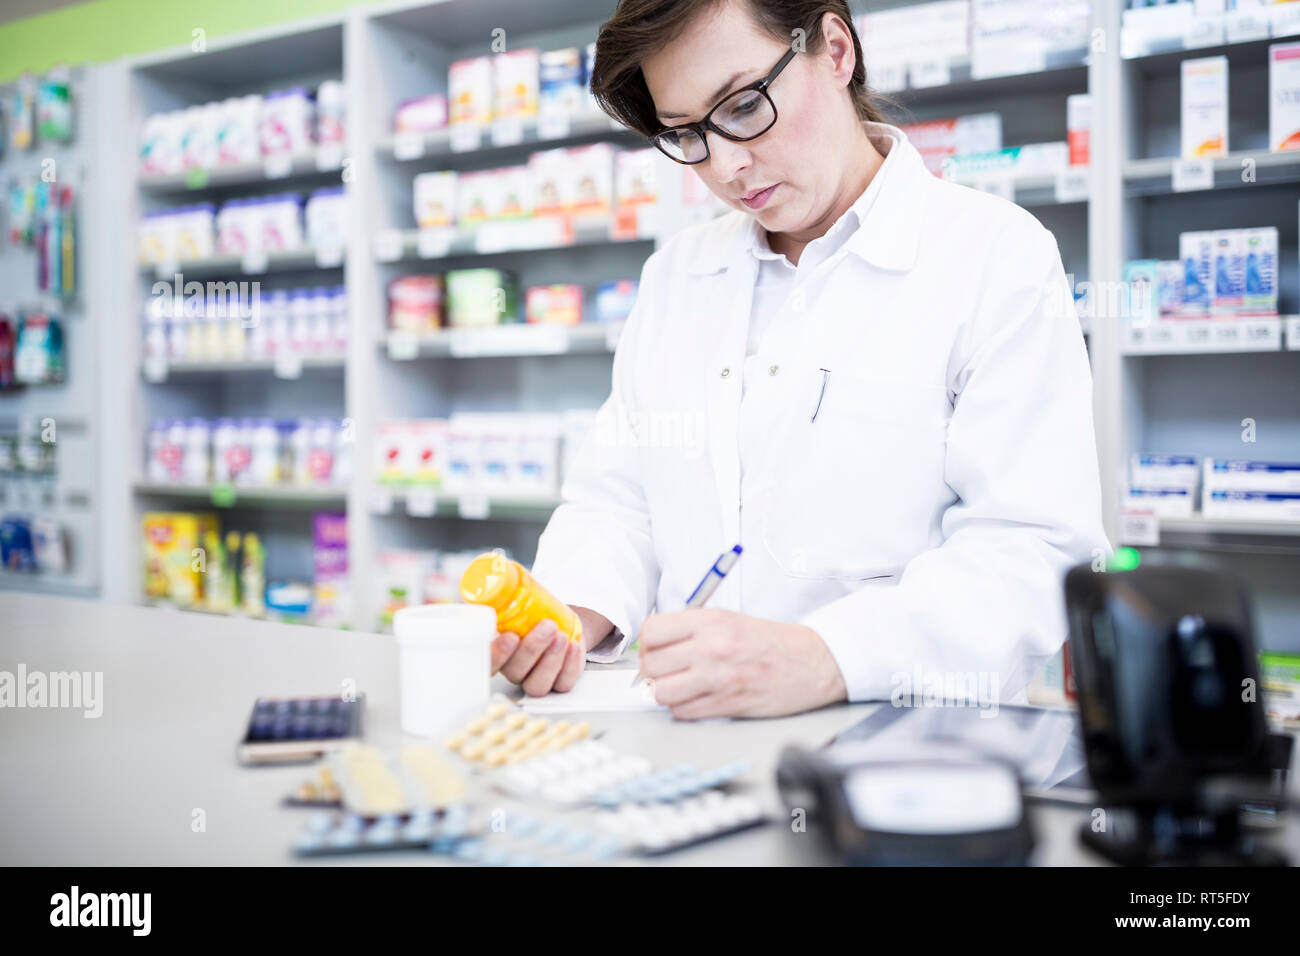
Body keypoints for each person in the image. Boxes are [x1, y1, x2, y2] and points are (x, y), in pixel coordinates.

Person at [489, 0, 1109, 718]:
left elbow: (1031, 550)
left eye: (743, 106)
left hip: (908, 745)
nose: (726, 165)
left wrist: (825, 657)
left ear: (836, 51)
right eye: (687, 134)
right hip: (688, 735)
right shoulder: (678, 275)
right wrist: (570, 613)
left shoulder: (995, 256)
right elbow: (620, 499)